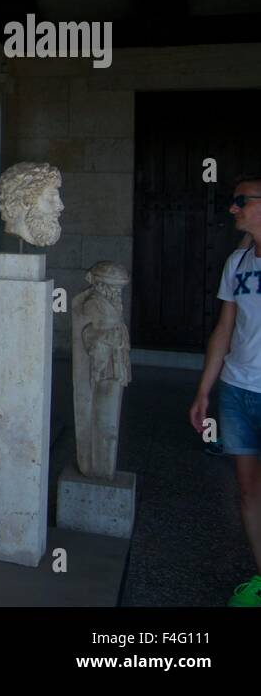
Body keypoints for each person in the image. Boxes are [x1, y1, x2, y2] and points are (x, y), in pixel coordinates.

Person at [190, 178, 261, 606]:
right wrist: (203, 391)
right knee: (250, 491)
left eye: (241, 201)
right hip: (238, 389)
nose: (232, 209)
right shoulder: (237, 262)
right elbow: (224, 329)